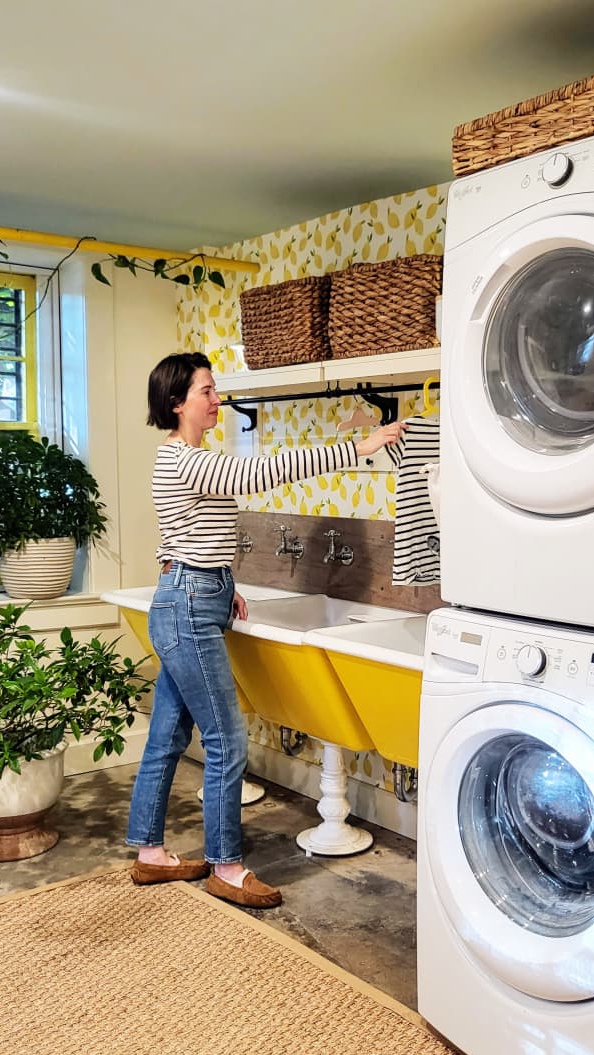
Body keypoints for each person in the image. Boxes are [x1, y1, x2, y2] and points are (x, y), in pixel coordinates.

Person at [127, 351, 406, 909]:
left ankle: (150, 854)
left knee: (167, 737)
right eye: (207, 391)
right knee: (228, 740)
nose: (216, 399)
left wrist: (225, 585)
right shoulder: (184, 460)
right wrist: (359, 446)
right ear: (178, 403)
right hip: (187, 607)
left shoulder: (185, 459)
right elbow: (260, 473)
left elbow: (179, 541)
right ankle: (226, 867)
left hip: (191, 598)